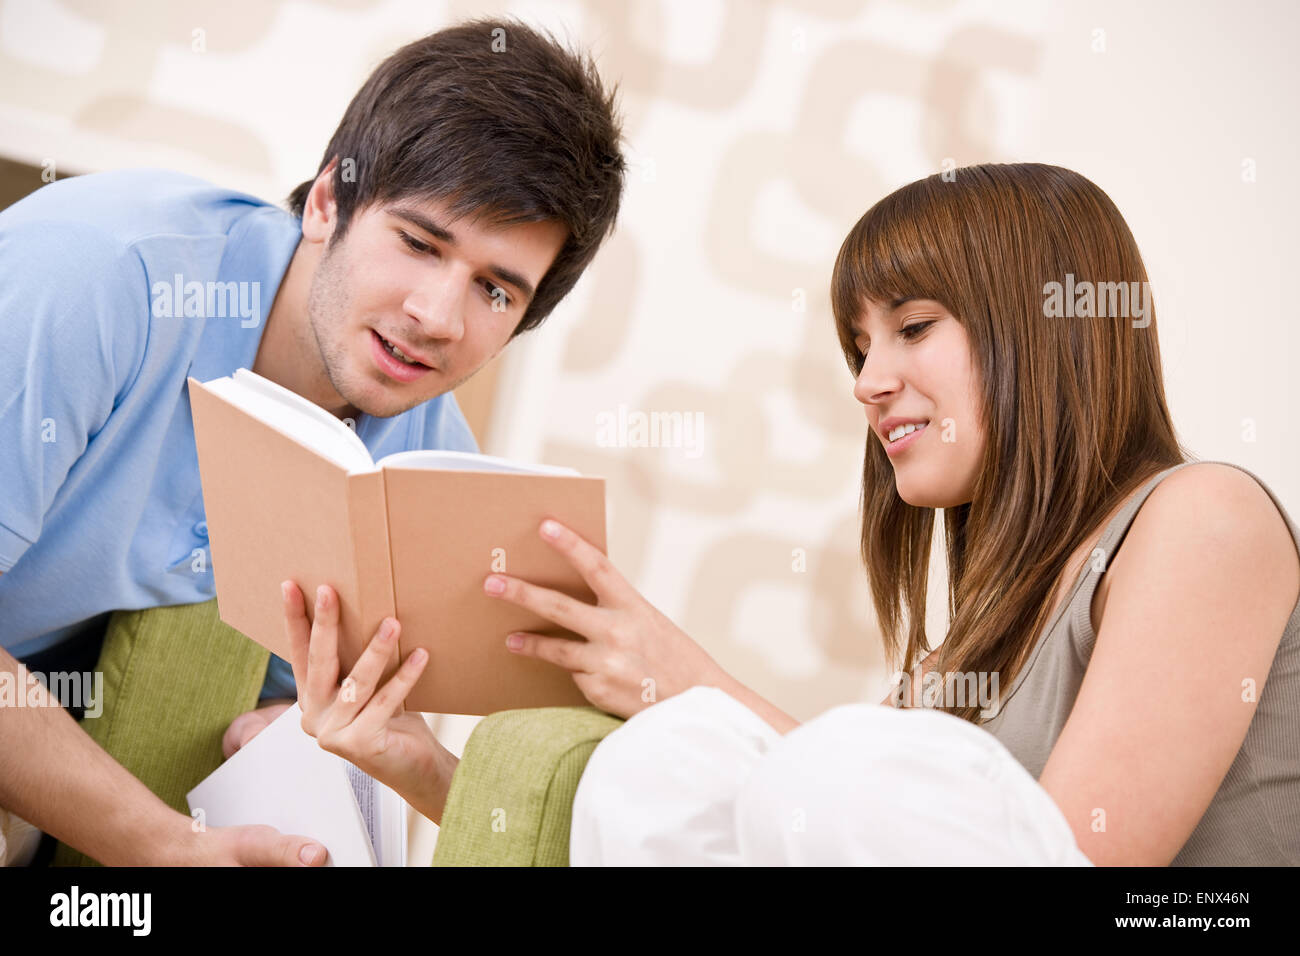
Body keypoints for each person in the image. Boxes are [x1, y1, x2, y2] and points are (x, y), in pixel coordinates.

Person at [256, 163, 1300, 866]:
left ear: (1050, 329)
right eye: (858, 349)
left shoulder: (1204, 520)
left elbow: (1062, 852)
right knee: (669, 763)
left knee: (755, 749)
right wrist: (416, 761)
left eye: (912, 328)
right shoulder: (972, 639)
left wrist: (686, 678)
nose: (869, 382)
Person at [0, 17, 626, 867]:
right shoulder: (98, 280)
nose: (436, 317)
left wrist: (306, 751)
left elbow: (302, 726)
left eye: (495, 291)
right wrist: (156, 841)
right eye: (417, 242)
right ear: (329, 200)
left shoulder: (421, 467)